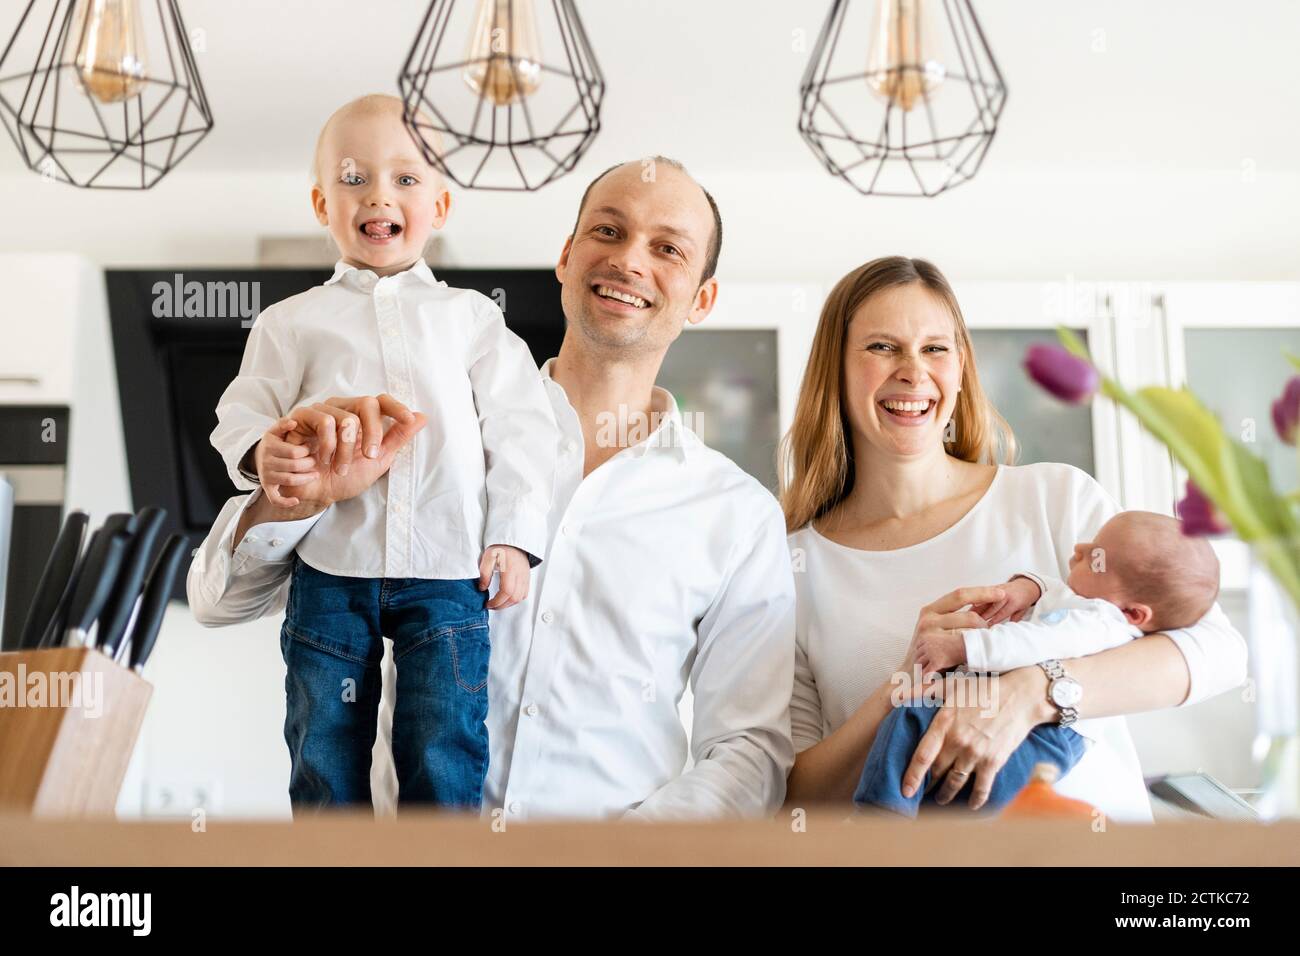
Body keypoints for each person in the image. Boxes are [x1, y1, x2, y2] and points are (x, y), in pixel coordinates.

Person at [188, 156, 797, 821]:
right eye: (608, 231)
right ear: (566, 257)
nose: (628, 261)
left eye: (668, 248)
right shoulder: (423, 430)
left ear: (702, 298)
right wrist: (299, 498)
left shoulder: (736, 516)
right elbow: (217, 601)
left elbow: (747, 754)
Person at [781, 256, 1248, 822]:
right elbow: (796, 799)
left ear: (960, 367)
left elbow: (1221, 653)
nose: (913, 370)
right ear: (835, 367)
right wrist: (905, 685)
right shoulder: (795, 564)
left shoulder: (1054, 499)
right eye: (882, 347)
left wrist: (1034, 691)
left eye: (935, 348)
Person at [207, 94, 557, 812]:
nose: (379, 196)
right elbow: (242, 413)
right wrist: (261, 455)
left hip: (450, 568)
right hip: (331, 570)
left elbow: (522, 429)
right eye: (353, 178)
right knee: (321, 741)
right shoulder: (291, 322)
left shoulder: (472, 320)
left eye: (405, 178)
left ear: (442, 204)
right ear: (320, 203)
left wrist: (515, 539)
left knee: (443, 738)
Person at [857, 510, 1222, 817]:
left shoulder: (1098, 621)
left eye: (1096, 555)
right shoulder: (1097, 607)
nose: (1079, 548)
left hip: (1044, 739)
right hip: (1041, 741)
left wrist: (960, 647)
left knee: (914, 716)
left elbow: (1032, 642)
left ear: (1132, 612)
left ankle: (881, 816)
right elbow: (1052, 591)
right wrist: (1027, 586)